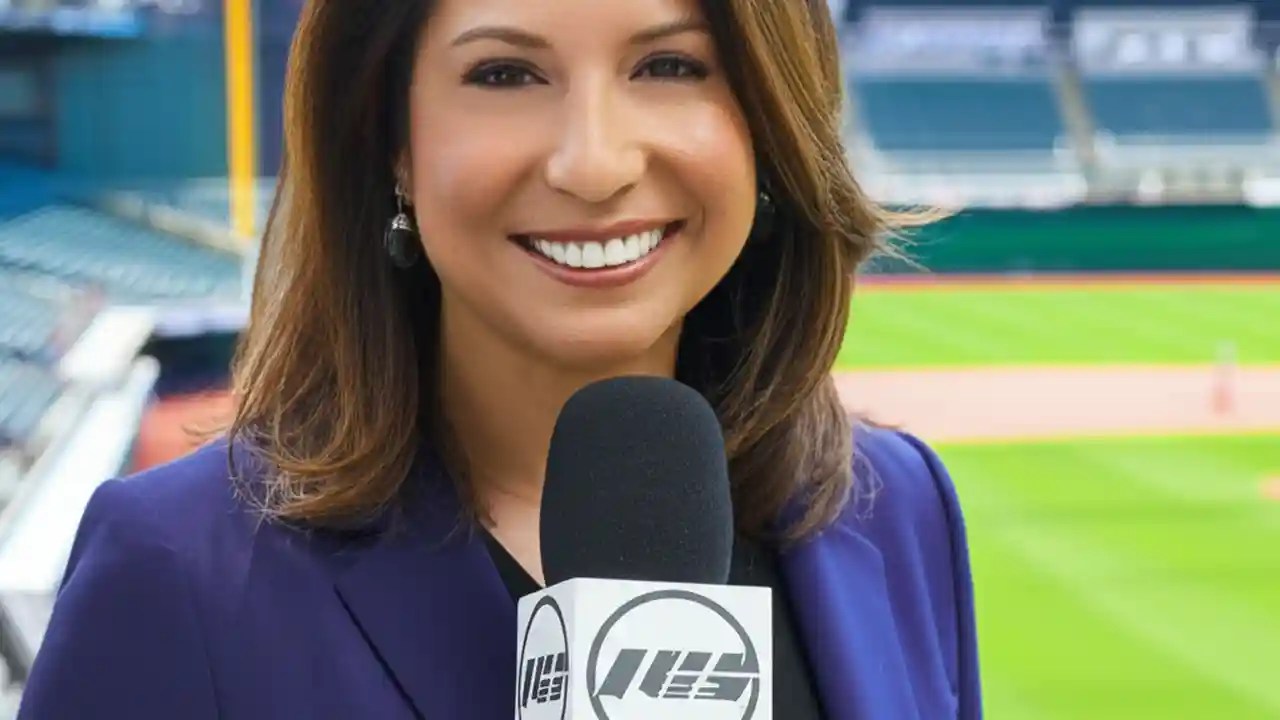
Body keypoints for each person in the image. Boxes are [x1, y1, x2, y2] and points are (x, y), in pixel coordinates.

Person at [18, 0, 982, 717]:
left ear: (770, 122)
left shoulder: (897, 510)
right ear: (391, 140)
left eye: (671, 65)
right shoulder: (178, 569)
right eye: (506, 76)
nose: (594, 163)